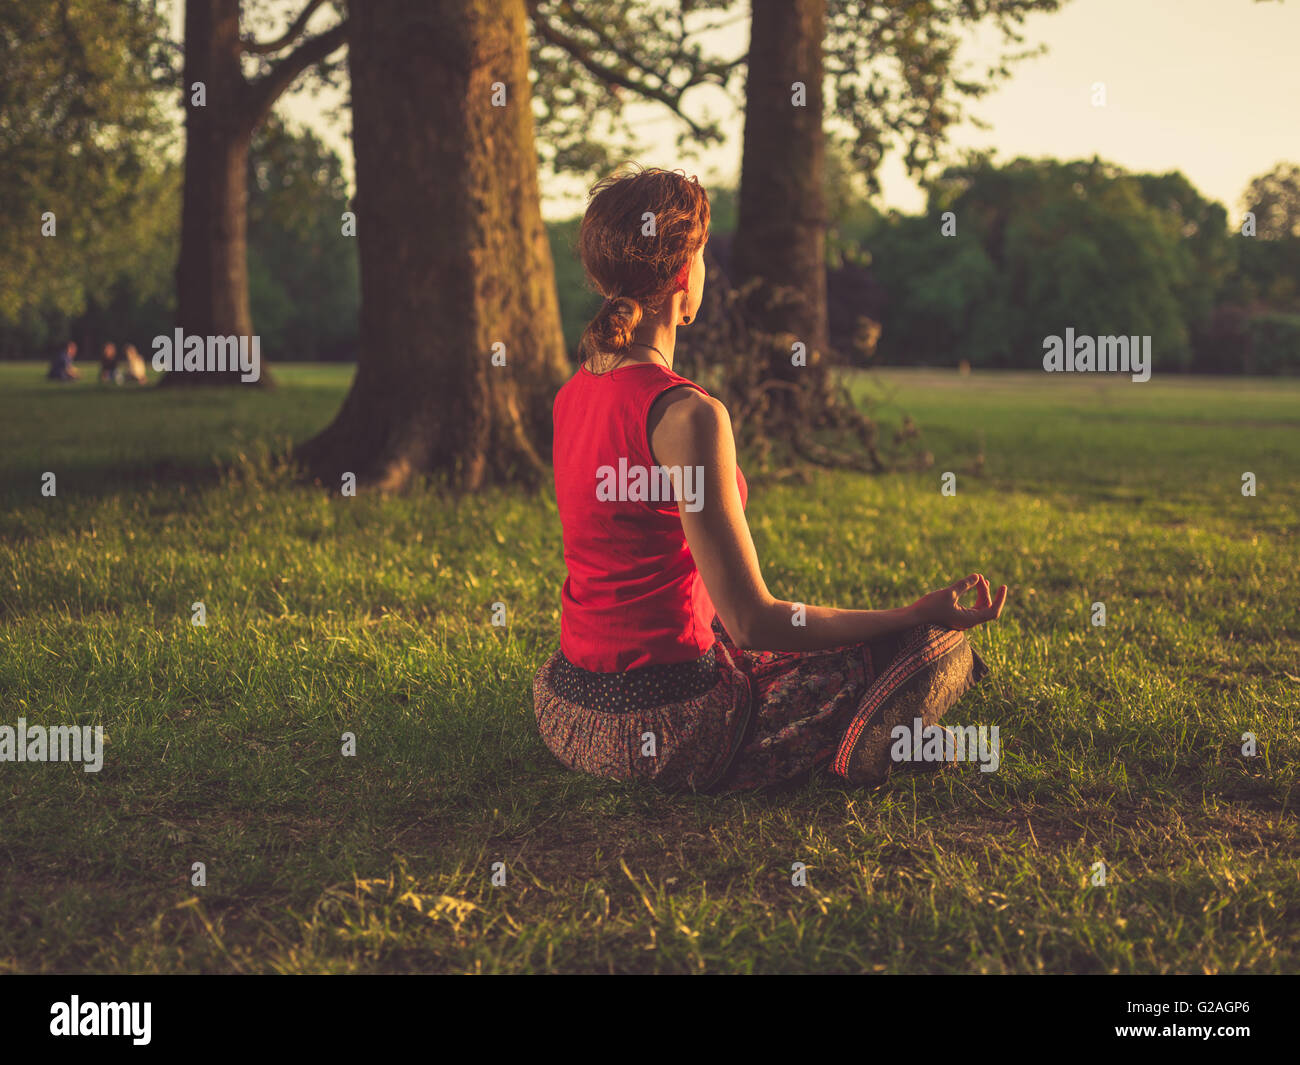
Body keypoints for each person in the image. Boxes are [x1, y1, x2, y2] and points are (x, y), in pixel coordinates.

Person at [532, 166, 1009, 793]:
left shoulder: (573, 393)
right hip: (668, 730)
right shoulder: (687, 415)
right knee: (929, 643)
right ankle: (862, 739)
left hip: (567, 710)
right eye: (701, 252)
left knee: (757, 641)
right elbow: (755, 620)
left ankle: (873, 730)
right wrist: (907, 612)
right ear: (684, 274)